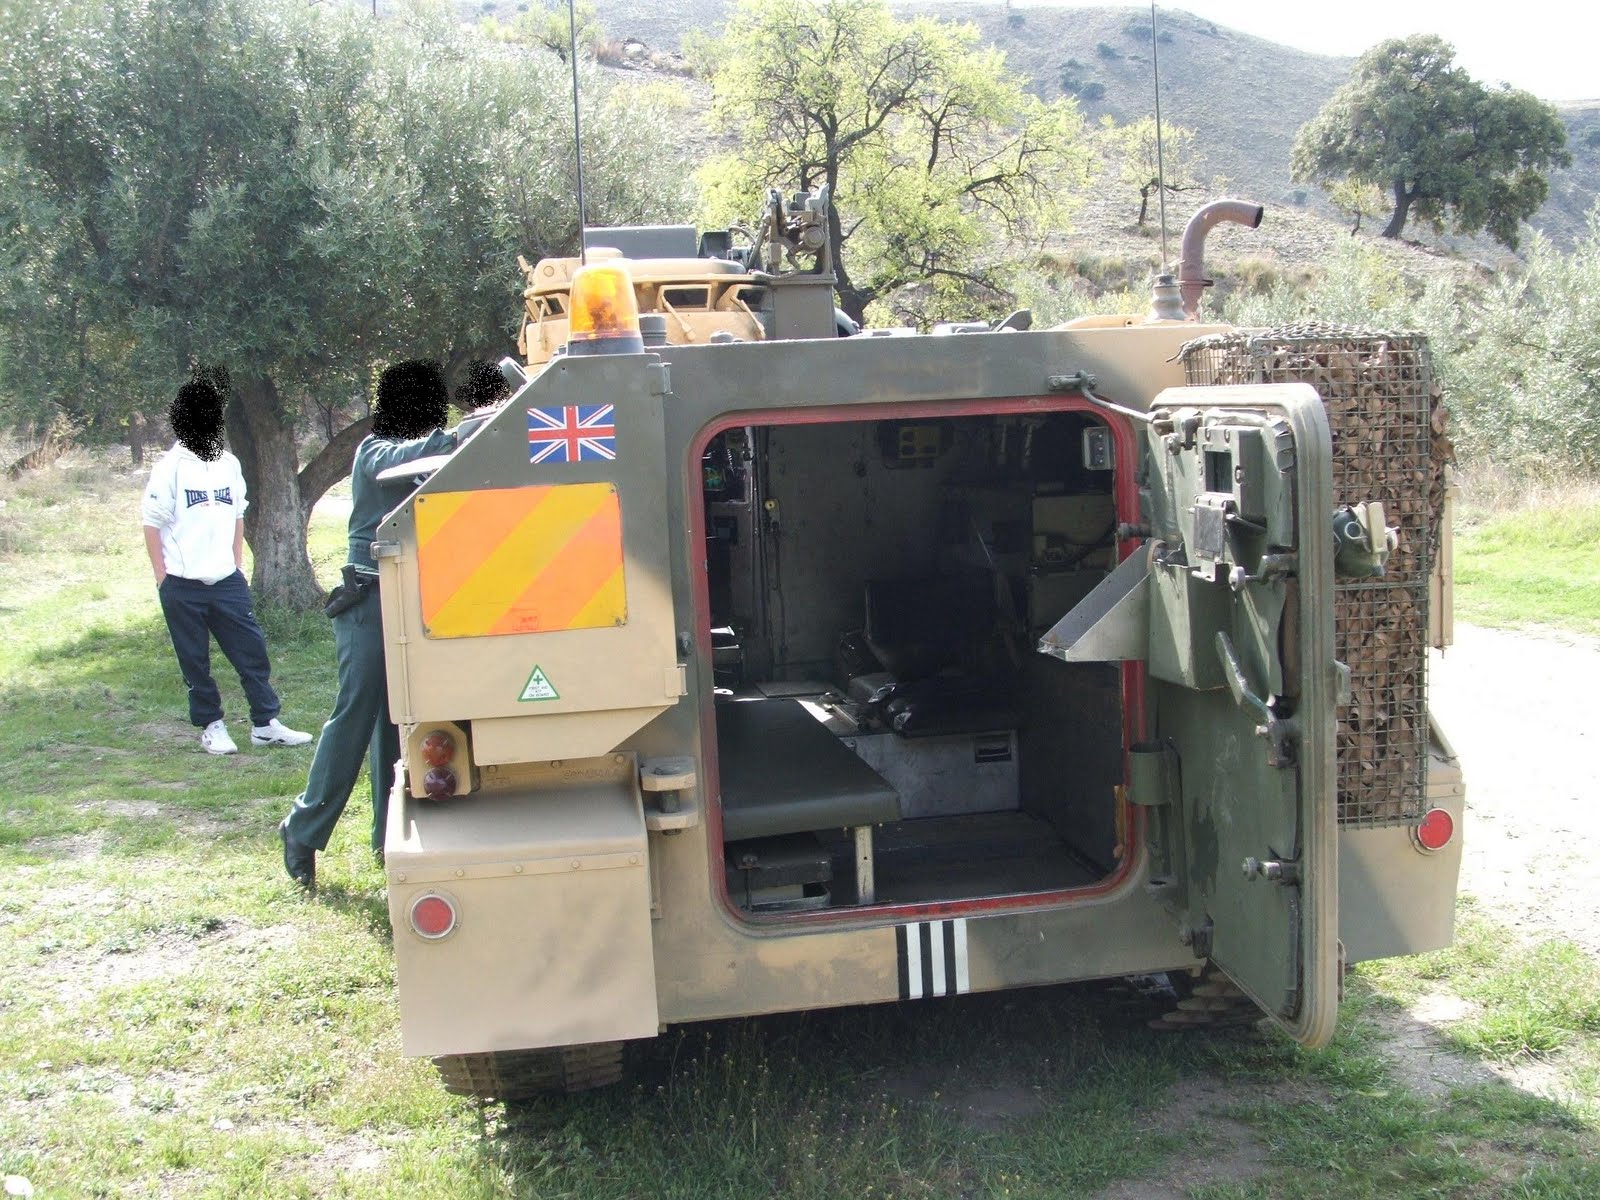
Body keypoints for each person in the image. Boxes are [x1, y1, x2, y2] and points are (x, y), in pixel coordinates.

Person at [278, 360, 457, 889]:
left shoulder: (423, 452)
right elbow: (407, 457)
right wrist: (467, 431)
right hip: (368, 604)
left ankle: (387, 838)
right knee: (355, 717)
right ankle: (303, 829)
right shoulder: (375, 451)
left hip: (406, 604)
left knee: (395, 723)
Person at [142, 375, 312, 755]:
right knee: (195, 659)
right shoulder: (169, 468)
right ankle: (211, 725)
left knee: (251, 650)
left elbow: (238, 514)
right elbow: (151, 524)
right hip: (182, 583)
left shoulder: (229, 464)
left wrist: (236, 565)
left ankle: (266, 724)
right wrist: (162, 577)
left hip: (226, 581)